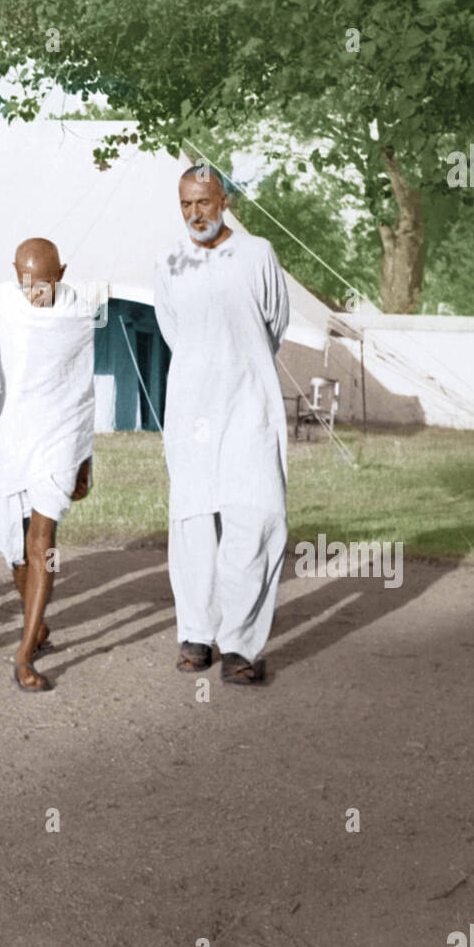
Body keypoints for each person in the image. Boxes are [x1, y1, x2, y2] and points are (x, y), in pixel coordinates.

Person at [154, 166, 290, 685]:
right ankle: (195, 631)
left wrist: (240, 364)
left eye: (205, 203)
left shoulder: (258, 254)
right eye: (186, 204)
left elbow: (273, 324)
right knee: (192, 520)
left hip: (249, 404)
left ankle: (242, 645)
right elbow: (171, 329)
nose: (195, 214)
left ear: (225, 201)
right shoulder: (169, 261)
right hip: (192, 408)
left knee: (254, 515)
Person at [0, 238, 95, 692]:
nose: (32, 292)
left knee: (42, 540)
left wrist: (85, 456)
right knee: (17, 547)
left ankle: (24, 654)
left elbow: (82, 391)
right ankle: (36, 625)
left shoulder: (80, 315)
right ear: (12, 273)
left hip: (59, 439)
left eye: (41, 283)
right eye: (24, 281)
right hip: (8, 439)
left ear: (61, 273)